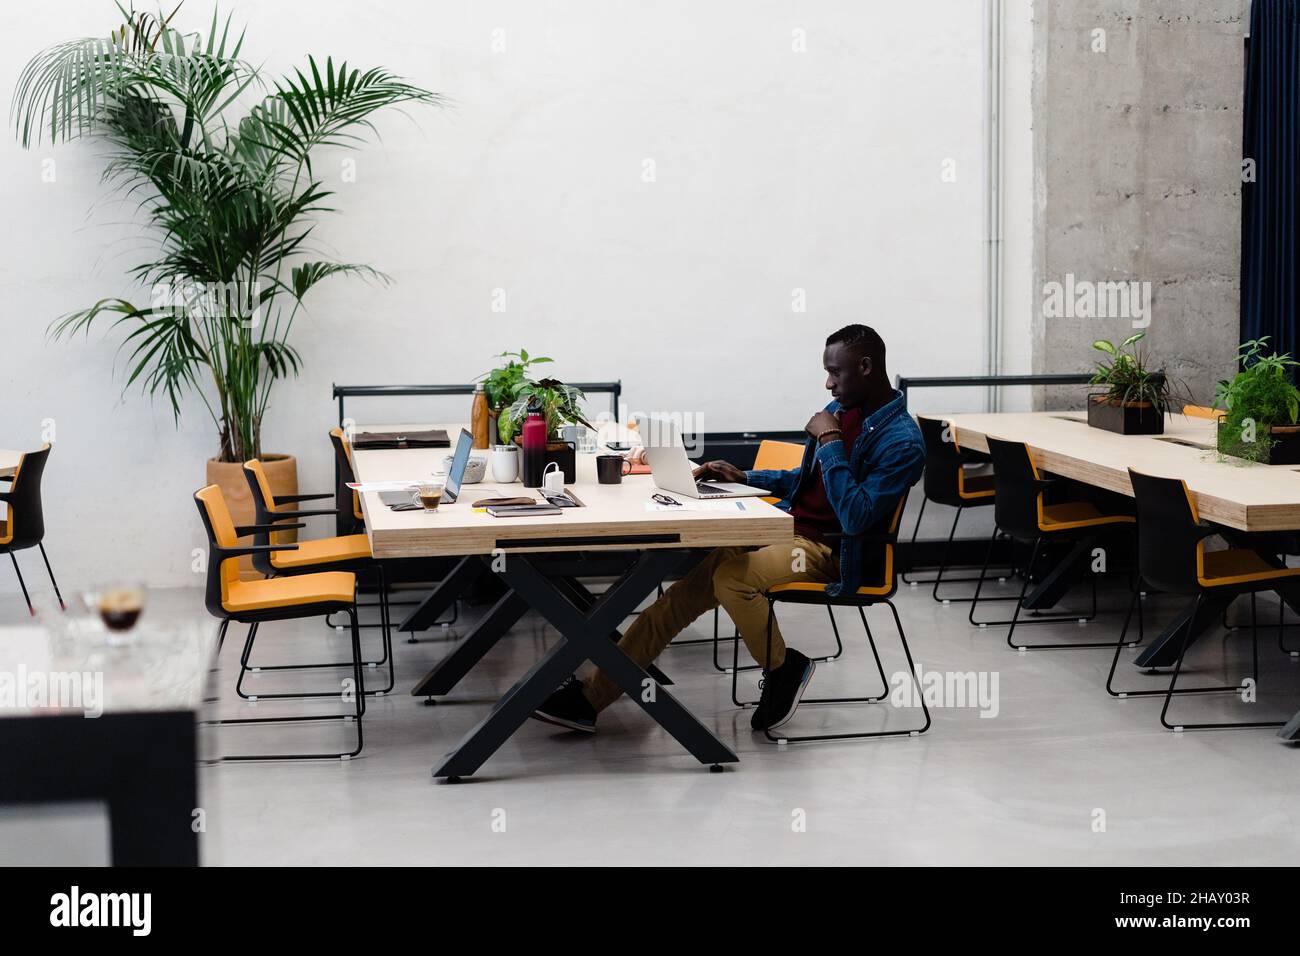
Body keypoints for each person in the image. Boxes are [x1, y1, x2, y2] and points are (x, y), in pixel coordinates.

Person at [532, 324, 925, 733]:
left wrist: (829, 443)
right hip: (784, 532)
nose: (828, 384)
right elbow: (806, 482)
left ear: (865, 366)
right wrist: (744, 476)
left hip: (833, 551)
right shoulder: (846, 412)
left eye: (835, 373)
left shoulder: (902, 441)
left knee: (733, 579)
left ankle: (785, 668)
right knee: (674, 602)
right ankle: (588, 701)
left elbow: (857, 517)